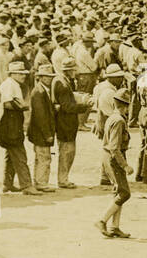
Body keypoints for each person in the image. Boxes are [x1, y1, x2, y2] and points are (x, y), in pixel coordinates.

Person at [97, 88, 134, 238]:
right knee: (125, 193)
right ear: (126, 106)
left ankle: (114, 227)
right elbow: (114, 147)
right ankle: (102, 220)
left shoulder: (112, 117)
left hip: (108, 157)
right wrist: (125, 165)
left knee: (118, 192)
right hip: (114, 159)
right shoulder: (119, 120)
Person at [0, 61, 39, 195]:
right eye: (20, 74)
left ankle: (7, 183)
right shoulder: (9, 85)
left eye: (24, 74)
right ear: (13, 74)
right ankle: (26, 185)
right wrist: (22, 106)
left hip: (13, 122)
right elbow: (7, 104)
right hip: (10, 122)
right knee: (20, 155)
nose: (23, 76)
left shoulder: (13, 84)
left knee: (11, 155)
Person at [51, 57, 91, 189]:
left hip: (65, 122)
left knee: (67, 151)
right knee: (67, 152)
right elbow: (67, 106)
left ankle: (64, 178)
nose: (76, 72)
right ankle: (63, 180)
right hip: (65, 122)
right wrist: (84, 106)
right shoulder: (62, 84)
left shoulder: (62, 80)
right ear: (69, 70)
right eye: (74, 70)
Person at [28, 64, 58, 193]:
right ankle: (41, 182)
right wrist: (47, 134)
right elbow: (40, 116)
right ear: (40, 77)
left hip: (40, 131)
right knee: (44, 157)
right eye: (46, 77)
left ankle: (40, 181)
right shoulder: (39, 92)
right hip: (40, 131)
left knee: (42, 157)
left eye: (50, 77)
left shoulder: (42, 90)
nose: (49, 79)